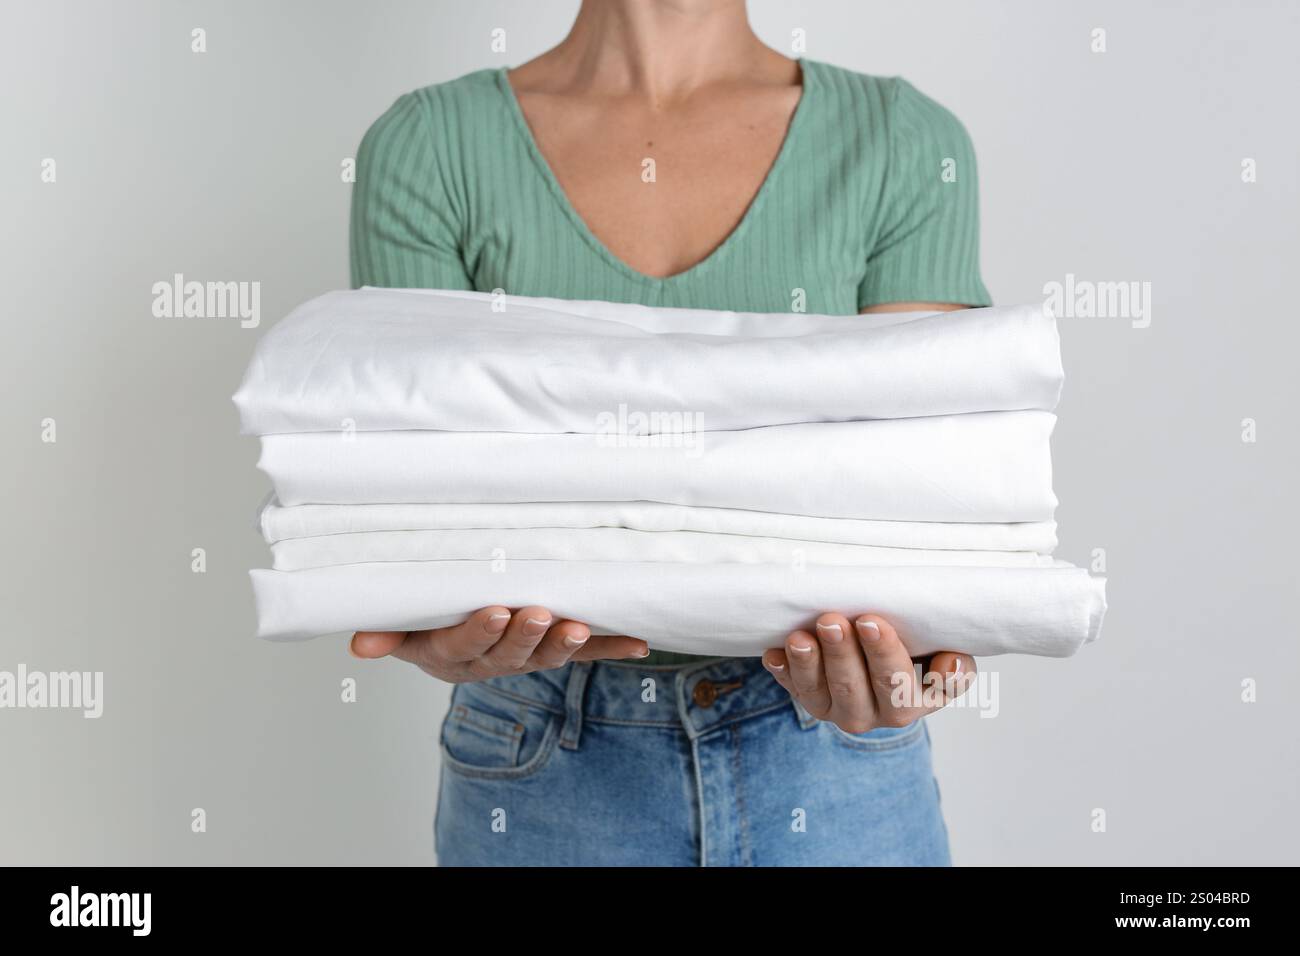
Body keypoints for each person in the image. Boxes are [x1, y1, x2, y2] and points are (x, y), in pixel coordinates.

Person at [348, 0, 991, 866]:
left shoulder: (903, 143)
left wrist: (921, 658)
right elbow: (415, 497)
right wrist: (424, 618)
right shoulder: (430, 146)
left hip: (831, 758)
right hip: (538, 754)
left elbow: (926, 499)